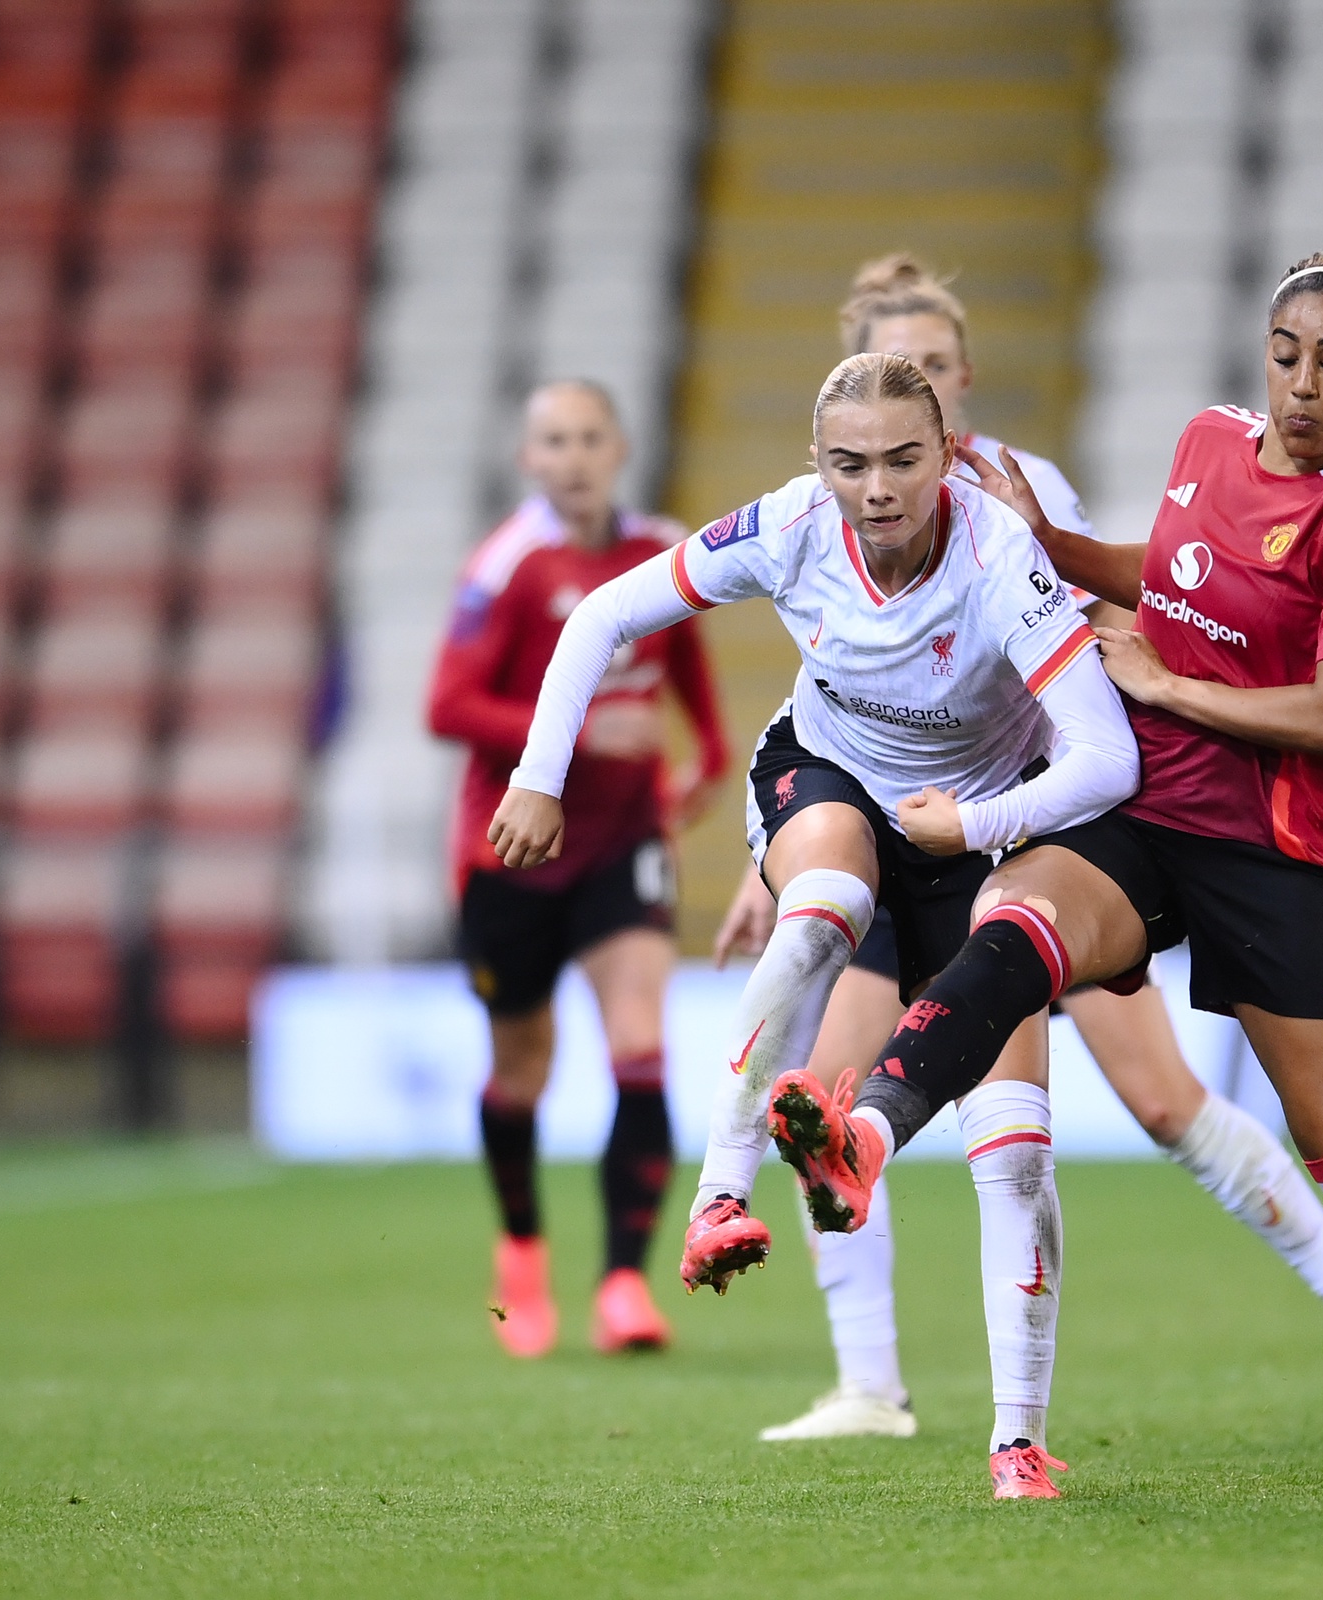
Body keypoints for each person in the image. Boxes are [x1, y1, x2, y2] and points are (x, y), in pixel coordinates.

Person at [762, 253, 1323, 1495]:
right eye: (1286, 354)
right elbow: (1168, 579)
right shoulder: (1209, 440)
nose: (1303, 384)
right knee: (1013, 915)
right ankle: (868, 1136)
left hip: (1275, 849)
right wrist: (1058, 547)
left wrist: (1169, 683)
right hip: (1145, 803)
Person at [486, 351, 1143, 1501]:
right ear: (816, 464)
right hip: (828, 779)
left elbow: (1108, 756)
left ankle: (1018, 1442)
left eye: (902, 460)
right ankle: (718, 1199)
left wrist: (977, 822)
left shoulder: (1001, 557)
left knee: (1013, 1152)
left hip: (972, 833)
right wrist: (538, 778)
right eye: (850, 463)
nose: (877, 487)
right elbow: (602, 614)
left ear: (947, 454)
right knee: (823, 907)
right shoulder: (789, 527)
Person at [425, 379, 730, 1358]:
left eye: (590, 436)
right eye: (554, 440)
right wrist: (582, 729)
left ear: (620, 447)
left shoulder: (658, 551)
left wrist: (711, 753)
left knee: (639, 1045)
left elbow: (684, 659)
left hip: (623, 843)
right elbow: (447, 706)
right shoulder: (505, 567)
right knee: (523, 1067)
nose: (574, 456)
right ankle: (521, 1248)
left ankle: (622, 1287)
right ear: (529, 459)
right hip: (510, 851)